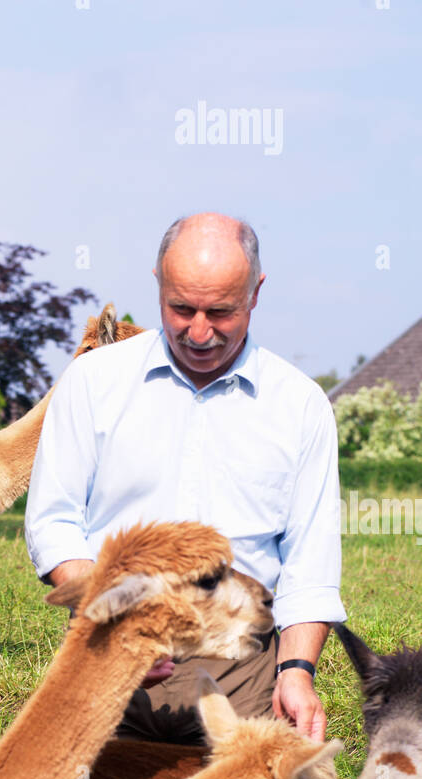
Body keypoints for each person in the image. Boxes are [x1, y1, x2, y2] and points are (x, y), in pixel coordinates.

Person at [25, 212, 344, 743]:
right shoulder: (93, 381)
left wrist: (296, 673)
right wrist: (116, 625)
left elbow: (310, 567)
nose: (199, 332)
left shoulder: (300, 405)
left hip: (238, 662)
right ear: (157, 283)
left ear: (255, 293)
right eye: (180, 309)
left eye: (220, 311)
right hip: (112, 649)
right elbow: (54, 521)